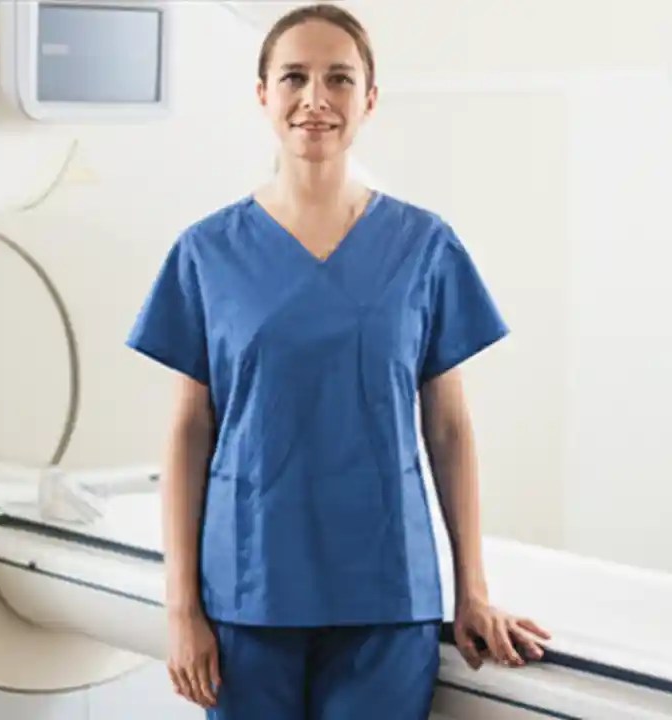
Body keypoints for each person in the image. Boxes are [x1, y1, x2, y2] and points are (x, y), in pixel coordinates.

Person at [125, 4, 551, 718]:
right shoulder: (207, 253)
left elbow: (448, 429)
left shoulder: (423, 246)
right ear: (263, 94)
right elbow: (188, 433)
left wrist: (470, 588)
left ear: (369, 99)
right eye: (293, 76)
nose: (315, 99)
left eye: (339, 80)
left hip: (385, 598)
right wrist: (181, 609)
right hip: (246, 595)